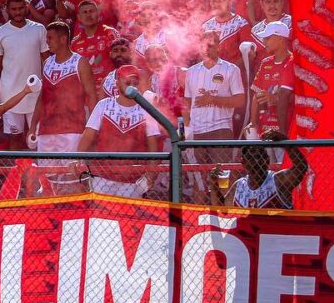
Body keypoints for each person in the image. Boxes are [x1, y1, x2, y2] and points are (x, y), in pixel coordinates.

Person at [77, 65, 163, 198]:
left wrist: (151, 173)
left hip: (133, 180)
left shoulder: (146, 109)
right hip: (102, 177)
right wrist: (79, 161)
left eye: (135, 83)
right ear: (117, 83)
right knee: (101, 217)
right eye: (127, 82)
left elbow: (153, 146)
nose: (132, 86)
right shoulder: (104, 105)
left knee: (130, 218)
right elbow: (88, 136)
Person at [183, 30, 245, 191]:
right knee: (200, 181)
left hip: (221, 130)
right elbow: (187, 102)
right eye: (203, 45)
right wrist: (187, 128)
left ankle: (225, 213)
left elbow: (240, 100)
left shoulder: (231, 70)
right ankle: (200, 214)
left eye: (211, 45)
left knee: (222, 178)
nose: (206, 49)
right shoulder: (191, 72)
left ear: (219, 46)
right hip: (197, 132)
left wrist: (213, 99)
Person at [0, 0, 49, 150]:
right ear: (7, 10)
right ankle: (15, 174)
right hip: (9, 95)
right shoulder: (0, 32)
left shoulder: (39, 29)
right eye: (14, 9)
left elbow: (47, 61)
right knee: (14, 138)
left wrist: (50, 89)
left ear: (26, 8)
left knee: (36, 139)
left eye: (21, 8)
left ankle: (38, 173)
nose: (18, 12)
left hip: (35, 95)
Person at [35, 20, 97, 157]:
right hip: (46, 129)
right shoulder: (47, 63)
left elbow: (91, 95)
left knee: (72, 176)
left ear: (63, 39)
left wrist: (92, 129)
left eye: (50, 38)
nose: (47, 42)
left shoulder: (80, 62)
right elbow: (42, 97)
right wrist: (34, 126)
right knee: (46, 176)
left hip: (72, 129)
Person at [209, 129, 309, 209]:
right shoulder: (239, 186)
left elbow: (301, 167)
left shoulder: (278, 180)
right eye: (251, 158)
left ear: (267, 161)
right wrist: (214, 184)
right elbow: (222, 210)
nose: (256, 162)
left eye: (259, 157)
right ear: (243, 162)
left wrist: (284, 141)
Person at [250, 20, 294, 135]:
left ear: (280, 39)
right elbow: (257, 95)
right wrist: (253, 124)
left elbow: (300, 98)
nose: (264, 41)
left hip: (287, 131)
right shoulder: (265, 63)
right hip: (265, 130)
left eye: (267, 38)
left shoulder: (294, 63)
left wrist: (274, 99)